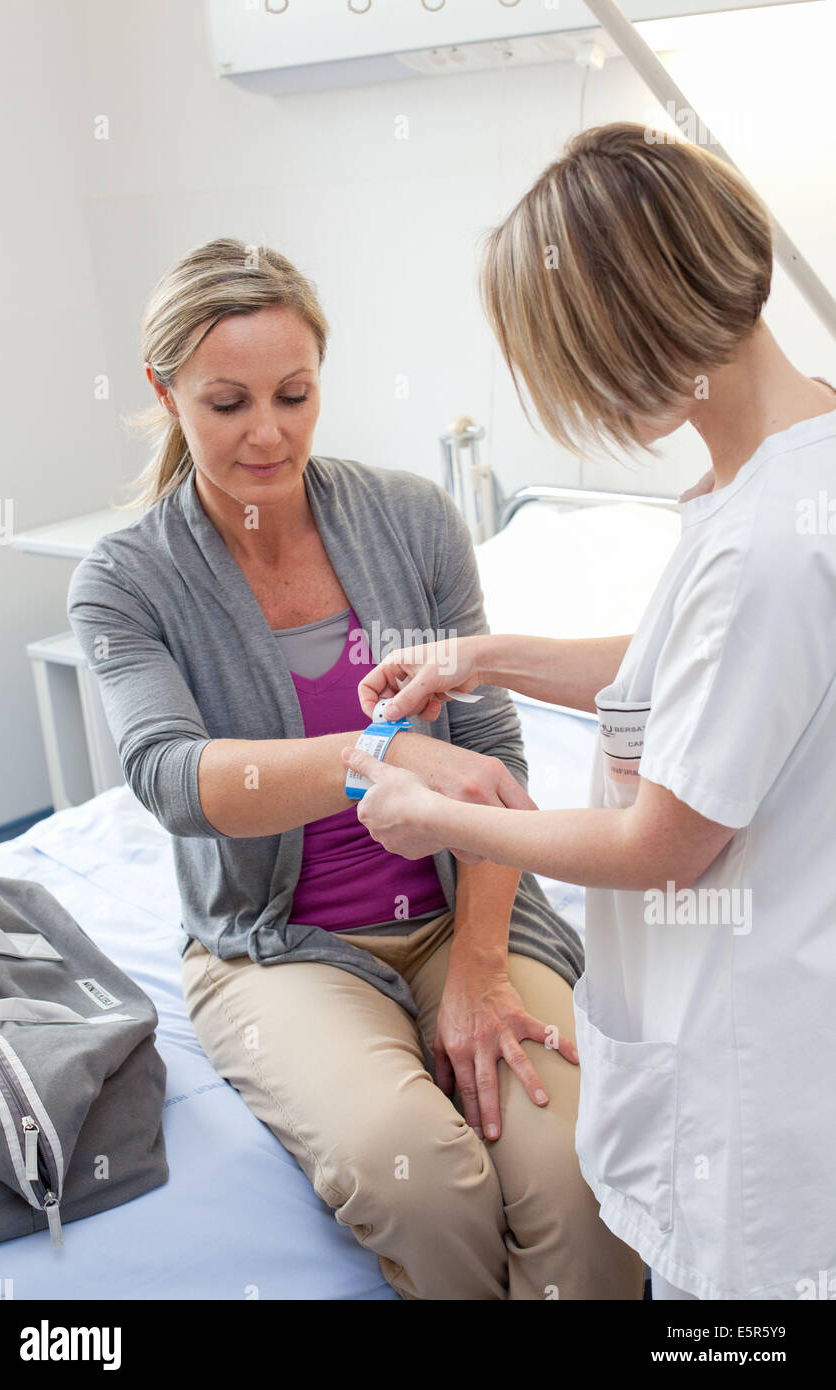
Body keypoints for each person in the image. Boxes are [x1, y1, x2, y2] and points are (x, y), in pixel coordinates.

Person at [66, 236, 644, 1300]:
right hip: (282, 950)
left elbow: (493, 758)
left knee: (576, 1178)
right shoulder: (126, 578)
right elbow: (168, 777)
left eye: (293, 393)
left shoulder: (409, 518)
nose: (268, 432)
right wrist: (377, 753)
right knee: (420, 1179)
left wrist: (474, 966)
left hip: (467, 908)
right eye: (227, 402)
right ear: (163, 391)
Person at [344, 121, 836, 1301]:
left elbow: (656, 841)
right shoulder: (782, 464)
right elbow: (696, 666)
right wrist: (483, 657)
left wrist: (438, 818)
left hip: (750, 1057)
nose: (576, 400)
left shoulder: (768, 542)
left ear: (632, 329)